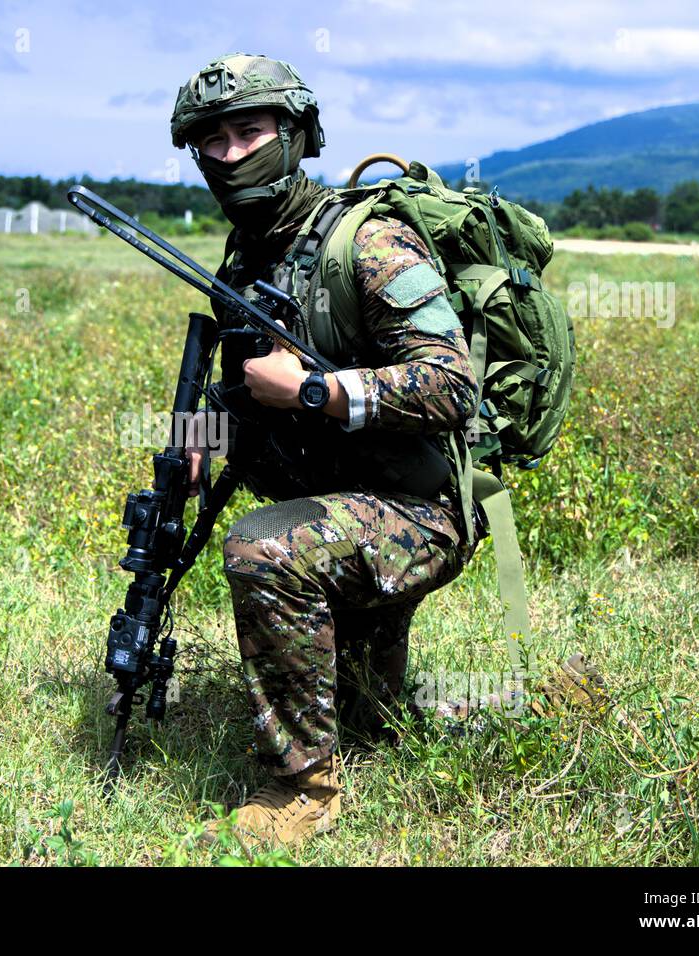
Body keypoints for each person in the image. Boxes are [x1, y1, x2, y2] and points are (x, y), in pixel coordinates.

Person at [170, 54, 485, 847]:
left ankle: (303, 792)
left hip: (421, 509)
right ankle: (383, 702)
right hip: (343, 499)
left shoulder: (369, 240)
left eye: (250, 131)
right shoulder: (246, 260)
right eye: (214, 140)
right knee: (372, 721)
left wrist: (318, 391)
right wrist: (199, 441)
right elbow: (236, 395)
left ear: (298, 135)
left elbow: (453, 388)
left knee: (264, 548)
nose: (232, 153)